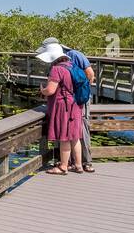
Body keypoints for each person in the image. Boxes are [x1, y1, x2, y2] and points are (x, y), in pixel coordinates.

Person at [34, 36, 95, 173]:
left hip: (63, 107)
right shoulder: (72, 65)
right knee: (75, 137)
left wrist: (42, 90)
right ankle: (78, 165)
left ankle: (63, 166)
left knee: (64, 137)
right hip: (76, 106)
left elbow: (51, 90)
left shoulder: (57, 69)